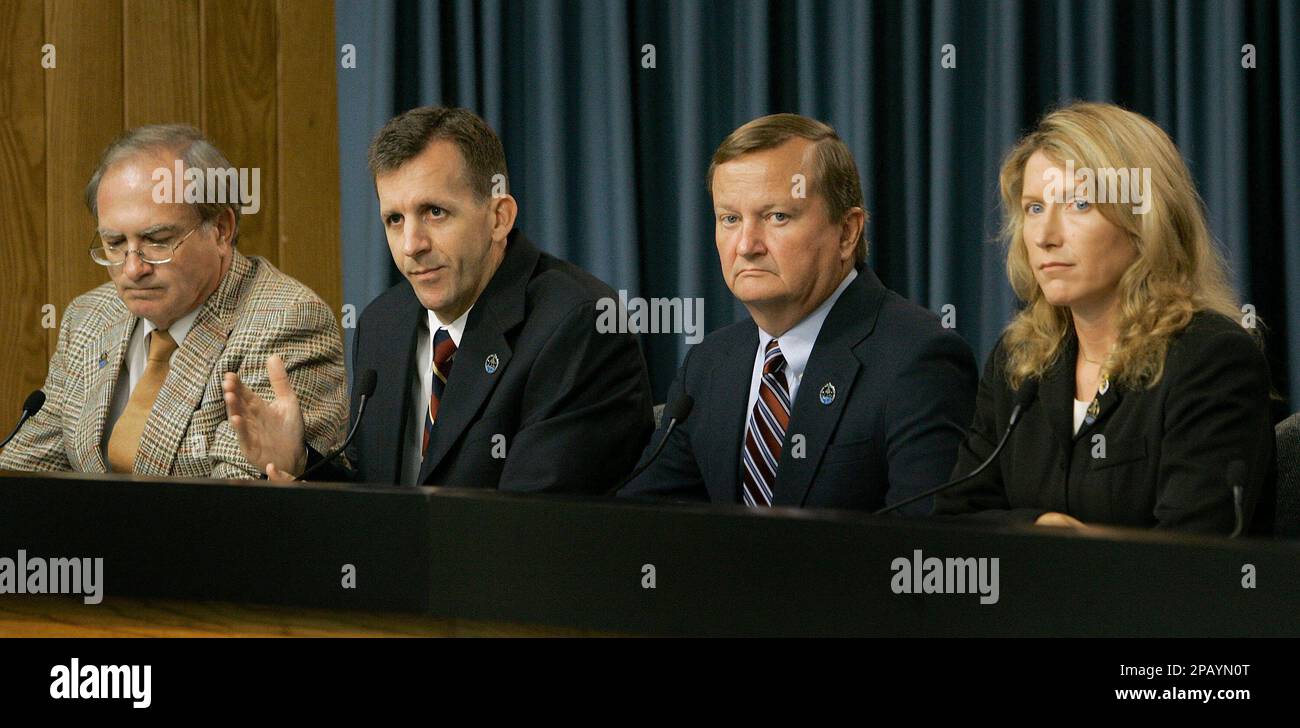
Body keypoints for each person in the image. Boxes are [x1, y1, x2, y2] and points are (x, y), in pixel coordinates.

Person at [223, 106, 655, 491]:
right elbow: (381, 503)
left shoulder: (577, 325)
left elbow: (532, 529)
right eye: (394, 219)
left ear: (498, 217)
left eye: (435, 212)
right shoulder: (383, 323)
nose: (412, 244)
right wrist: (300, 463)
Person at [933, 102, 1275, 534]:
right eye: (1034, 208)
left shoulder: (1212, 359)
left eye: (1078, 204)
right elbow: (954, 521)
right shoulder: (1020, 360)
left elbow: (1194, 560)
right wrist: (1041, 525)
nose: (1045, 236)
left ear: (1144, 221)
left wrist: (1074, 544)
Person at [621, 113, 977, 513]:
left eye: (777, 217)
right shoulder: (708, 365)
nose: (746, 245)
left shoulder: (918, 357)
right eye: (730, 219)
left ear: (846, 232)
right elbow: (643, 523)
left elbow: (923, 548)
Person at [0, 125, 347, 478]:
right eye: (115, 243)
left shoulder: (285, 320)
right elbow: (24, 473)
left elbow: (237, 501)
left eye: (158, 240)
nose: (133, 269)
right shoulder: (89, 317)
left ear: (221, 230)